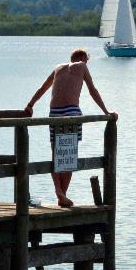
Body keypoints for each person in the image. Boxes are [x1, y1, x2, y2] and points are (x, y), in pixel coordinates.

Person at [25, 48, 115, 207]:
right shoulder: (82, 65)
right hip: (71, 112)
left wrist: (30, 105)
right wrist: (106, 111)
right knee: (69, 154)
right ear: (81, 57)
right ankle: (62, 195)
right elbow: (92, 90)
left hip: (54, 112)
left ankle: (59, 192)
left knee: (56, 154)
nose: (86, 63)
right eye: (86, 60)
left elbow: (42, 88)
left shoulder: (58, 67)